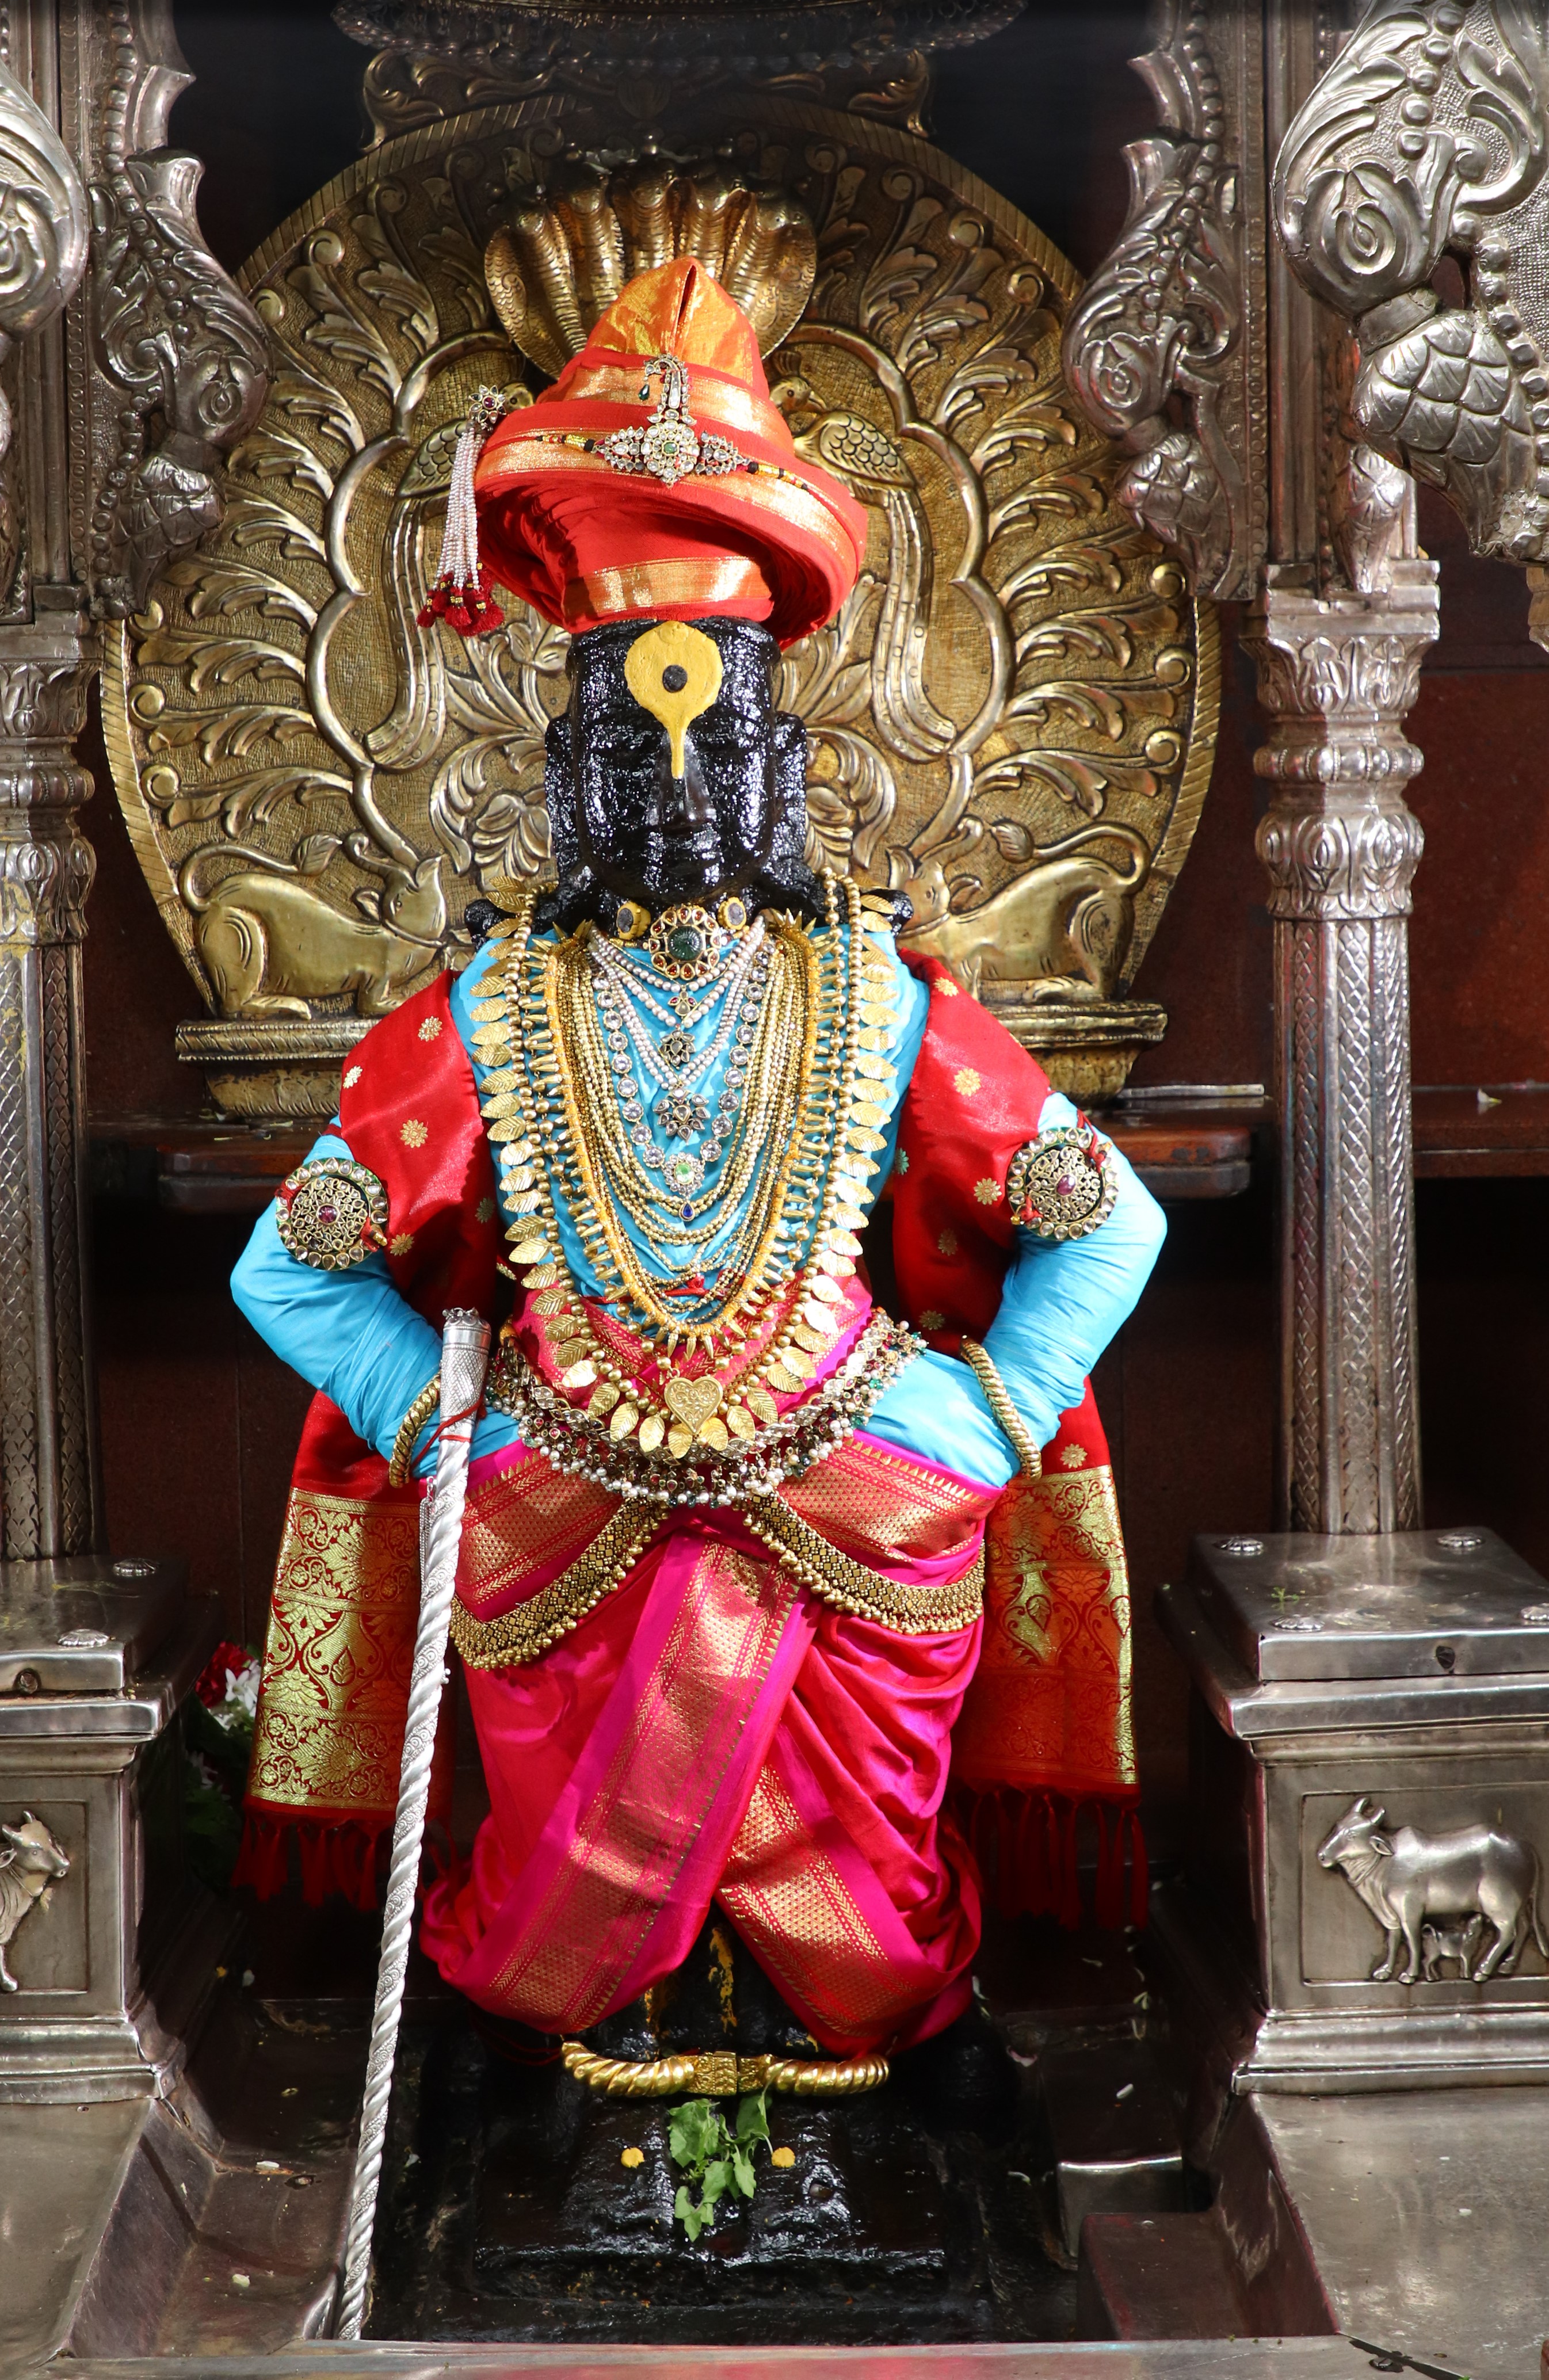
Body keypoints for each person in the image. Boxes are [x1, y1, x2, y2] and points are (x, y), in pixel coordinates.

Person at [230, 257, 1163, 2065]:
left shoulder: (872, 999)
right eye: (630, 744)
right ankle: (612, 2076)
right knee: (581, 1904)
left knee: (859, 1898)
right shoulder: (492, 1009)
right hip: (553, 1501)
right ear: (569, 773)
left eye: (716, 738)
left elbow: (1100, 1219)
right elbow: (286, 1269)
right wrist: (453, 1426)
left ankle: (834, 2073)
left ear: (777, 763)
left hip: (862, 1495)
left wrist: (987, 1413)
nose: (675, 772)